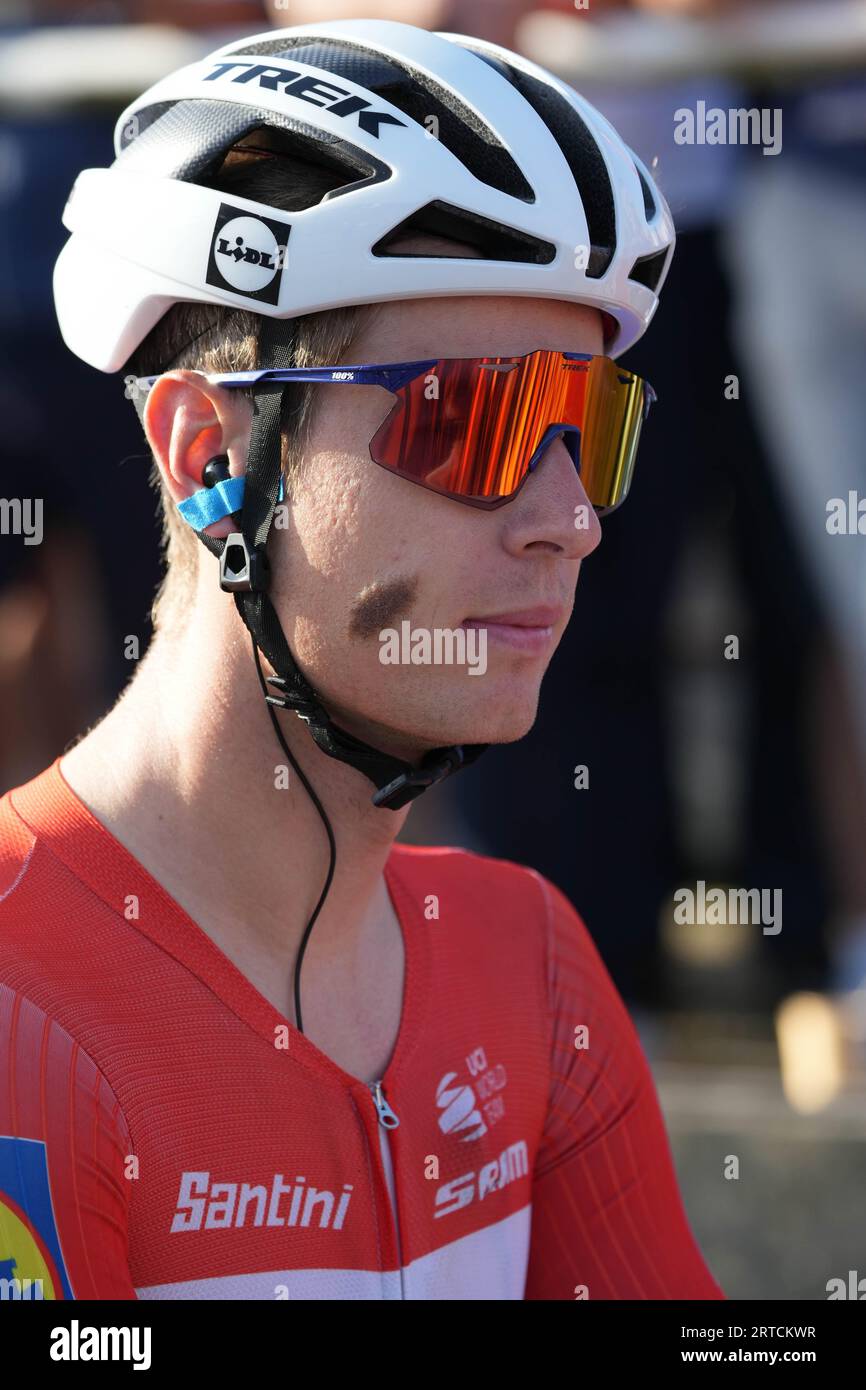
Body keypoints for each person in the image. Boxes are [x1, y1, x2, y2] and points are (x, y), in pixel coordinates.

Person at [0, 18, 725, 1300]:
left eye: (589, 425)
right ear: (210, 456)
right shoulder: (20, 1002)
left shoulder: (530, 960)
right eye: (480, 418)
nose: (569, 516)